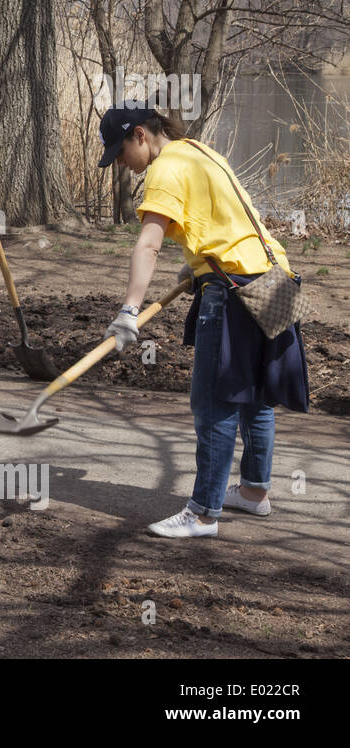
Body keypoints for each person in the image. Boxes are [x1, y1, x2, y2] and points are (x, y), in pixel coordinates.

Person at [97, 100, 309, 538]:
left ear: (140, 135)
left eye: (119, 152)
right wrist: (197, 266)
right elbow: (226, 219)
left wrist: (129, 309)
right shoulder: (199, 151)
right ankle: (253, 492)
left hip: (232, 291)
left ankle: (202, 514)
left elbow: (148, 245)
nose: (120, 163)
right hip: (273, 278)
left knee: (214, 403)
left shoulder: (166, 169)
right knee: (255, 397)